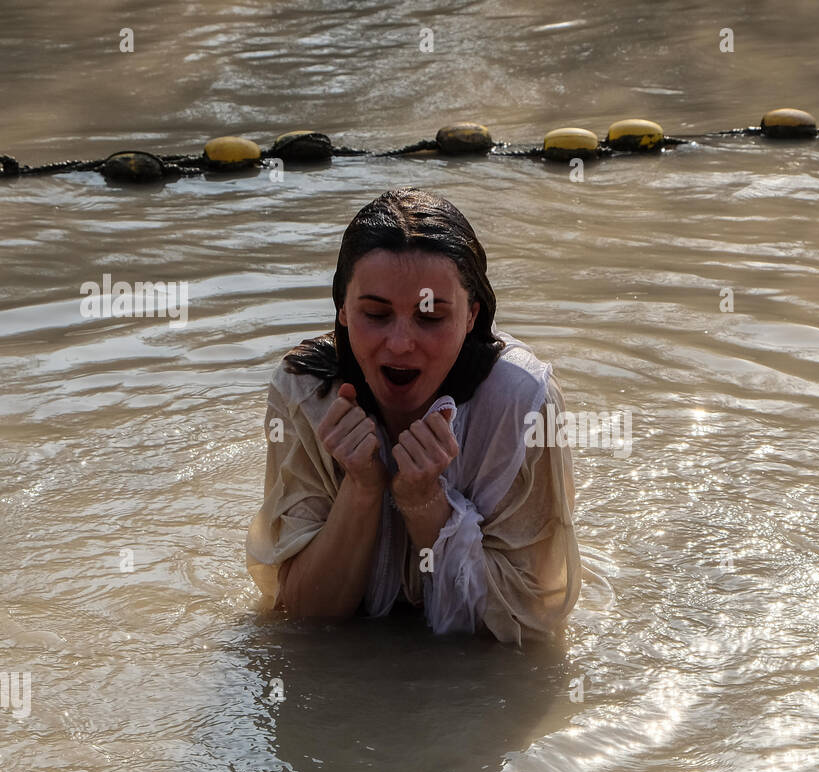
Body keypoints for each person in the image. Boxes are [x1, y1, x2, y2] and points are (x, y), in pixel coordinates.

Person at [246, 187, 581, 645]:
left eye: (430, 317)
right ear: (342, 309)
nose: (401, 344)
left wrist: (424, 501)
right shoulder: (305, 391)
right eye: (376, 314)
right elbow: (305, 617)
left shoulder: (521, 405)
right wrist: (363, 488)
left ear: (470, 316)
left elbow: (530, 623)